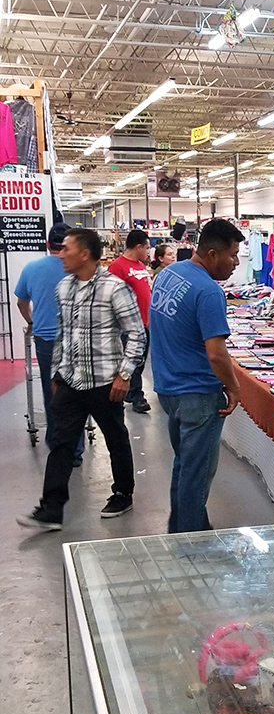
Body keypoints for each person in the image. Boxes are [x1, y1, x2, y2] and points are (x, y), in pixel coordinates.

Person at [17, 228, 146, 532]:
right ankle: (51, 509)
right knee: (61, 442)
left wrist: (124, 375)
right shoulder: (63, 288)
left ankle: (123, 493)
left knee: (116, 439)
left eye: (66, 249)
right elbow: (64, 334)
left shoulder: (115, 289)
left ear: (85, 254)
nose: (60, 254)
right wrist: (56, 373)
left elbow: (136, 334)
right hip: (70, 381)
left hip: (105, 382)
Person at [149, 218, 244, 534]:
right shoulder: (208, 291)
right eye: (233, 255)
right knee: (197, 474)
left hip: (169, 389)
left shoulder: (168, 275)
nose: (236, 262)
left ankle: (186, 527)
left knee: (184, 465)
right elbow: (216, 353)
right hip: (198, 394)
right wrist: (233, 387)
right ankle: (190, 544)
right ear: (214, 254)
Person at [14, 225, 84, 466]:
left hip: (45, 339)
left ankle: (58, 447)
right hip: (76, 338)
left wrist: (32, 321)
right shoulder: (79, 268)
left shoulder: (32, 269)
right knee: (77, 392)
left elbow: (21, 303)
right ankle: (75, 450)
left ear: (47, 244)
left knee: (52, 392)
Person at [108, 228, 152, 413]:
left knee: (140, 361)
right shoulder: (117, 267)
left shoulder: (141, 266)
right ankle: (137, 396)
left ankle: (131, 392)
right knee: (133, 359)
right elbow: (110, 295)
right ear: (138, 247)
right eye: (147, 247)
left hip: (145, 322)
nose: (149, 251)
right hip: (128, 325)